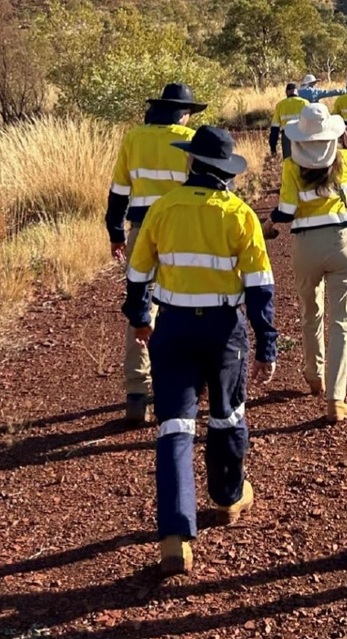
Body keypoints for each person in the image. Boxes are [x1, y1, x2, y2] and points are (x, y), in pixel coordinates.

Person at [123, 125, 279, 575]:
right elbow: (260, 288)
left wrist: (140, 318)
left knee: (174, 426)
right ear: (226, 171)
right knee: (226, 415)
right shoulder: (239, 214)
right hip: (223, 329)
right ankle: (228, 497)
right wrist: (267, 342)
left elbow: (138, 274)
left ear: (191, 164)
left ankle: (174, 534)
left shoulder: (162, 209)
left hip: (171, 327)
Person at [106, 82, 206, 425]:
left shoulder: (134, 138)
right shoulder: (190, 140)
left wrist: (115, 232)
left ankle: (137, 391)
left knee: (140, 304)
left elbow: (119, 190)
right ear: (184, 113)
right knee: (186, 302)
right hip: (182, 230)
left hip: (140, 228)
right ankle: (184, 382)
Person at [270, 104, 347, 423]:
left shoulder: (290, 167)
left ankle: (314, 375)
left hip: (306, 244)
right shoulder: (344, 160)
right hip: (342, 242)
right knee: (342, 321)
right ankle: (335, 399)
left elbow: (285, 210)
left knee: (310, 311)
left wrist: (269, 225)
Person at [270, 83, 310, 159]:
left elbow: (275, 127)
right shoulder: (305, 103)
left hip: (287, 136)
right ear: (297, 92)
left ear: (286, 92)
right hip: (302, 135)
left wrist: (273, 146)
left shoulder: (280, 105)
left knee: (289, 161)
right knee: (304, 161)